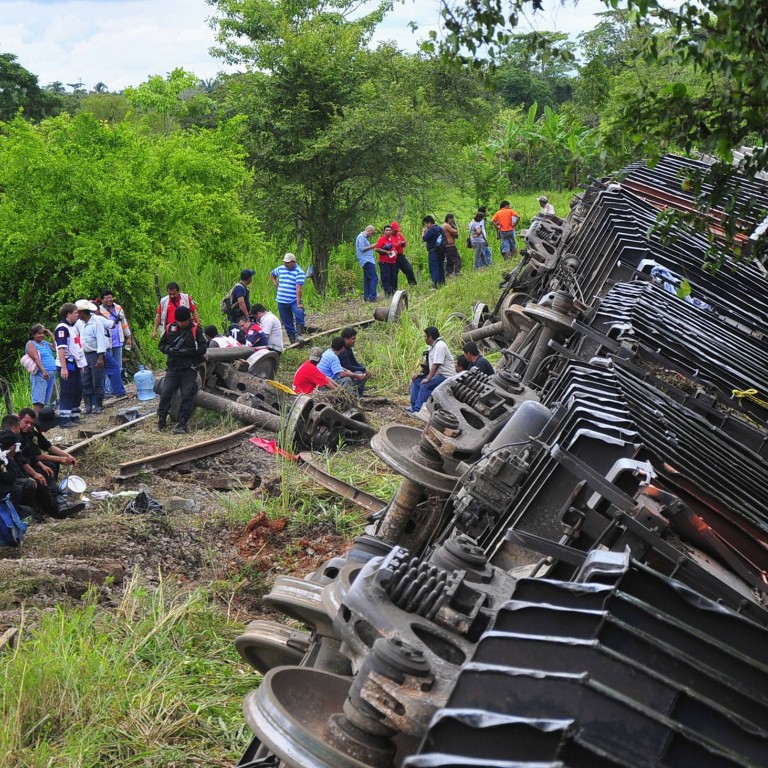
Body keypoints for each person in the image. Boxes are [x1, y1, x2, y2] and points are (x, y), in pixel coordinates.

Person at [17, 408, 84, 518]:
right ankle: (55, 507)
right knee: (41, 477)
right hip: (20, 467)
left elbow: (42, 450)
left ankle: (58, 499)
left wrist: (66, 455)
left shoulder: (30, 432)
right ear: (19, 419)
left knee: (48, 468)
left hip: (29, 462)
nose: (29, 426)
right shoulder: (16, 435)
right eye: (26, 422)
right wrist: (59, 459)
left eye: (31, 423)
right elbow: (26, 458)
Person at [157, 306, 208, 434]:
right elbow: (161, 345)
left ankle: (183, 422)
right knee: (166, 392)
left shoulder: (196, 329)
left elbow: (203, 348)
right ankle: (162, 419)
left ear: (188, 319)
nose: (180, 324)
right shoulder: (170, 328)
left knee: (187, 393)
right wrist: (170, 350)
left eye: (183, 322)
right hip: (173, 368)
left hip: (189, 368)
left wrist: (187, 352)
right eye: (178, 322)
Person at [408, 326, 455, 415]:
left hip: (446, 376)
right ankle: (413, 407)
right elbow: (427, 363)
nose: (424, 338)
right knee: (417, 381)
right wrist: (419, 374)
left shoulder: (440, 346)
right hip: (437, 375)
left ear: (430, 337)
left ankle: (418, 410)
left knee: (425, 385)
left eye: (425, 336)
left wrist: (428, 379)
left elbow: (436, 365)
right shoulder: (432, 347)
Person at [54, 302, 87, 428]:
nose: (77, 315)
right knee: (67, 390)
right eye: (75, 313)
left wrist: (81, 364)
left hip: (75, 363)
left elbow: (76, 347)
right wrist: (64, 367)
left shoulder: (71, 327)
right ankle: (64, 418)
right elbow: (61, 349)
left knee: (77, 389)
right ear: (68, 314)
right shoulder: (62, 328)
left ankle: (74, 414)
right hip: (67, 363)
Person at [76, 299, 108, 415]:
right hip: (84, 354)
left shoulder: (96, 323)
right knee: (85, 380)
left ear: (82, 312)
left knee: (97, 380)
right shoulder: (79, 323)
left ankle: (98, 404)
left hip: (95, 354)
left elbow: (101, 341)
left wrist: (100, 357)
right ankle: (88, 405)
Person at [270, 253, 307, 343]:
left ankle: (298, 334)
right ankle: (293, 341)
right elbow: (272, 274)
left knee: (299, 313)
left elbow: (298, 289)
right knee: (287, 321)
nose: (286, 264)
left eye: (288, 263)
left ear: (293, 262)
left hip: (293, 299)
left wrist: (299, 302)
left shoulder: (299, 272)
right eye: (285, 262)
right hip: (281, 300)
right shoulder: (281, 269)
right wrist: (275, 283)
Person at [98, 289, 132, 385]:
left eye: (110, 297)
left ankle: (117, 387)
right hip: (107, 343)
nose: (109, 300)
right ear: (102, 300)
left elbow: (124, 324)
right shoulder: (99, 311)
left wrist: (128, 337)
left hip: (118, 341)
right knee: (108, 367)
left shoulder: (118, 308)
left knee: (118, 366)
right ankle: (108, 389)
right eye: (106, 298)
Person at [25, 324, 57, 413]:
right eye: (39, 333)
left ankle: (41, 419)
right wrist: (43, 370)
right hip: (41, 374)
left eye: (43, 333)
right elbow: (36, 358)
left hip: (50, 373)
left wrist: (51, 335)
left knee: (45, 400)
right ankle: (36, 418)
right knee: (39, 400)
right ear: (33, 334)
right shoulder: (31, 344)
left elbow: (56, 348)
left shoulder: (44, 343)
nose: (41, 335)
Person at [339, 327, 372, 396]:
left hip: (347, 372)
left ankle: (359, 390)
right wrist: (363, 370)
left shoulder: (348, 348)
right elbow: (348, 367)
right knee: (359, 373)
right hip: (341, 375)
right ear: (345, 339)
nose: (355, 341)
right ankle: (358, 396)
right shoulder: (343, 350)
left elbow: (354, 362)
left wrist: (364, 369)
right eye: (353, 339)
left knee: (362, 369)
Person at [355, 225, 378, 302]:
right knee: (374, 278)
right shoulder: (361, 237)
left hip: (367, 260)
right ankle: (372, 297)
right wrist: (373, 246)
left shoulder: (363, 237)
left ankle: (367, 296)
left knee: (367, 279)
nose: (371, 235)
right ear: (368, 231)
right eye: (371, 233)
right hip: (366, 260)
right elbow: (362, 248)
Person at [374, 224, 399, 296]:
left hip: (393, 262)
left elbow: (394, 247)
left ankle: (393, 292)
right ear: (384, 231)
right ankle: (388, 293)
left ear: (391, 231)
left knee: (393, 277)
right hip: (384, 262)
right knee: (386, 278)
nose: (388, 231)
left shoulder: (392, 239)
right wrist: (386, 252)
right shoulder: (381, 239)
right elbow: (376, 249)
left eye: (389, 230)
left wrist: (395, 252)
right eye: (386, 230)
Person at [421, 216, 445, 289]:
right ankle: (442, 283)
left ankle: (435, 285)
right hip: (441, 251)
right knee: (441, 267)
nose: (425, 226)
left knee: (434, 268)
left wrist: (423, 232)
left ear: (429, 223)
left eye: (425, 224)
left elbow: (423, 239)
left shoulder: (431, 230)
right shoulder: (440, 228)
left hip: (433, 252)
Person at [391, 221, 417, 286]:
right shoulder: (389, 236)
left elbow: (404, 242)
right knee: (394, 274)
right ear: (391, 229)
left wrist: (403, 243)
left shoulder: (399, 235)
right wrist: (398, 244)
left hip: (401, 256)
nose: (396, 232)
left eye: (397, 230)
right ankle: (394, 289)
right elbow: (391, 246)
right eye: (395, 230)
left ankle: (413, 285)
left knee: (409, 269)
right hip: (394, 257)